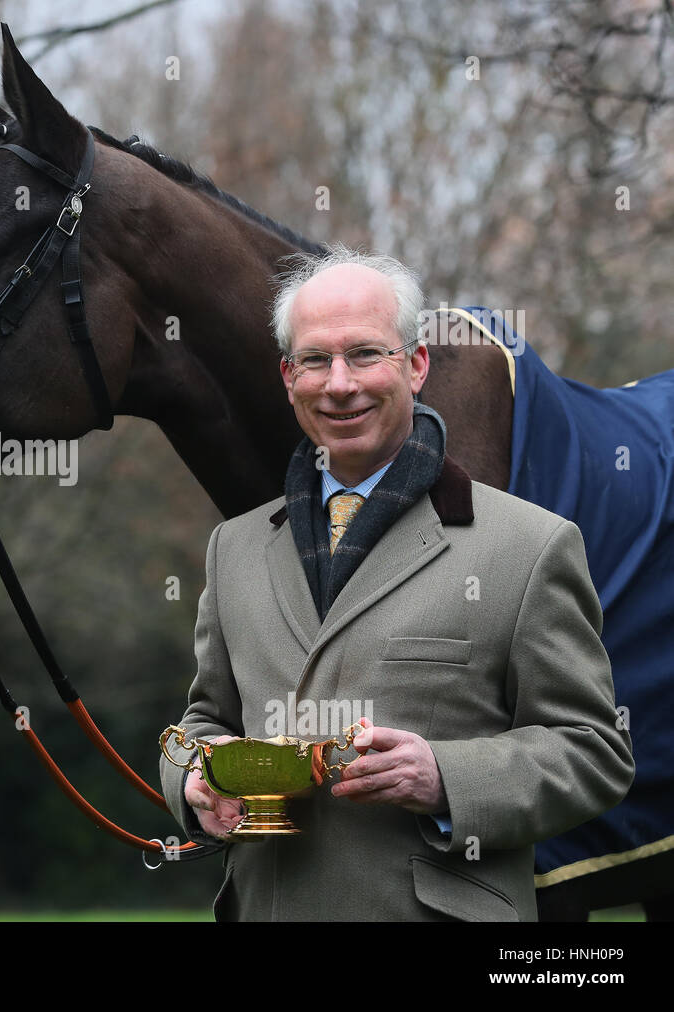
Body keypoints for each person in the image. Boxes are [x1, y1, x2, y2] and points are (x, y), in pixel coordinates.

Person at [159, 246, 634, 921]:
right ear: (288, 378)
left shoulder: (530, 546)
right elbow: (202, 722)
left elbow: (594, 753)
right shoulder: (231, 549)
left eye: (365, 354)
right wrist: (197, 778)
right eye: (316, 361)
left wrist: (445, 777)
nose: (340, 383)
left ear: (415, 366)